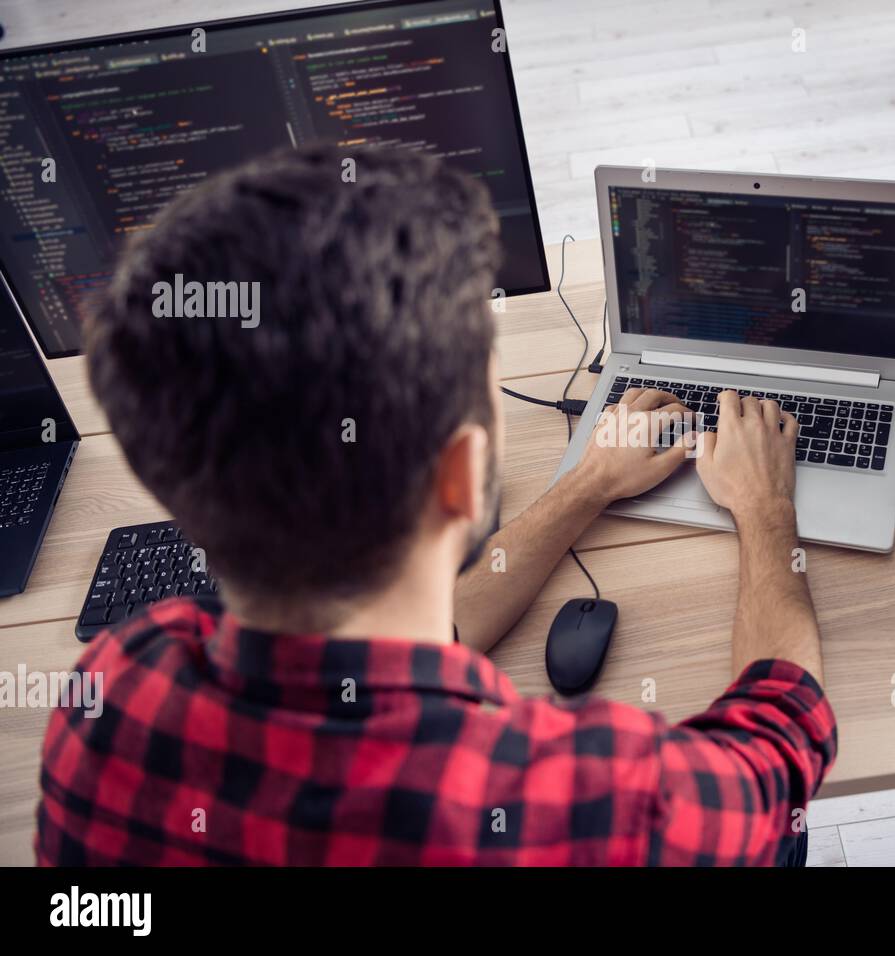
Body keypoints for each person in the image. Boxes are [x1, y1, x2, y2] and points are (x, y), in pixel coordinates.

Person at [37, 145, 836, 866]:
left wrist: (590, 481)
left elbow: (402, 638)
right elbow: (780, 747)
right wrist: (766, 509)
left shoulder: (113, 696)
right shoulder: (574, 802)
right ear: (461, 477)